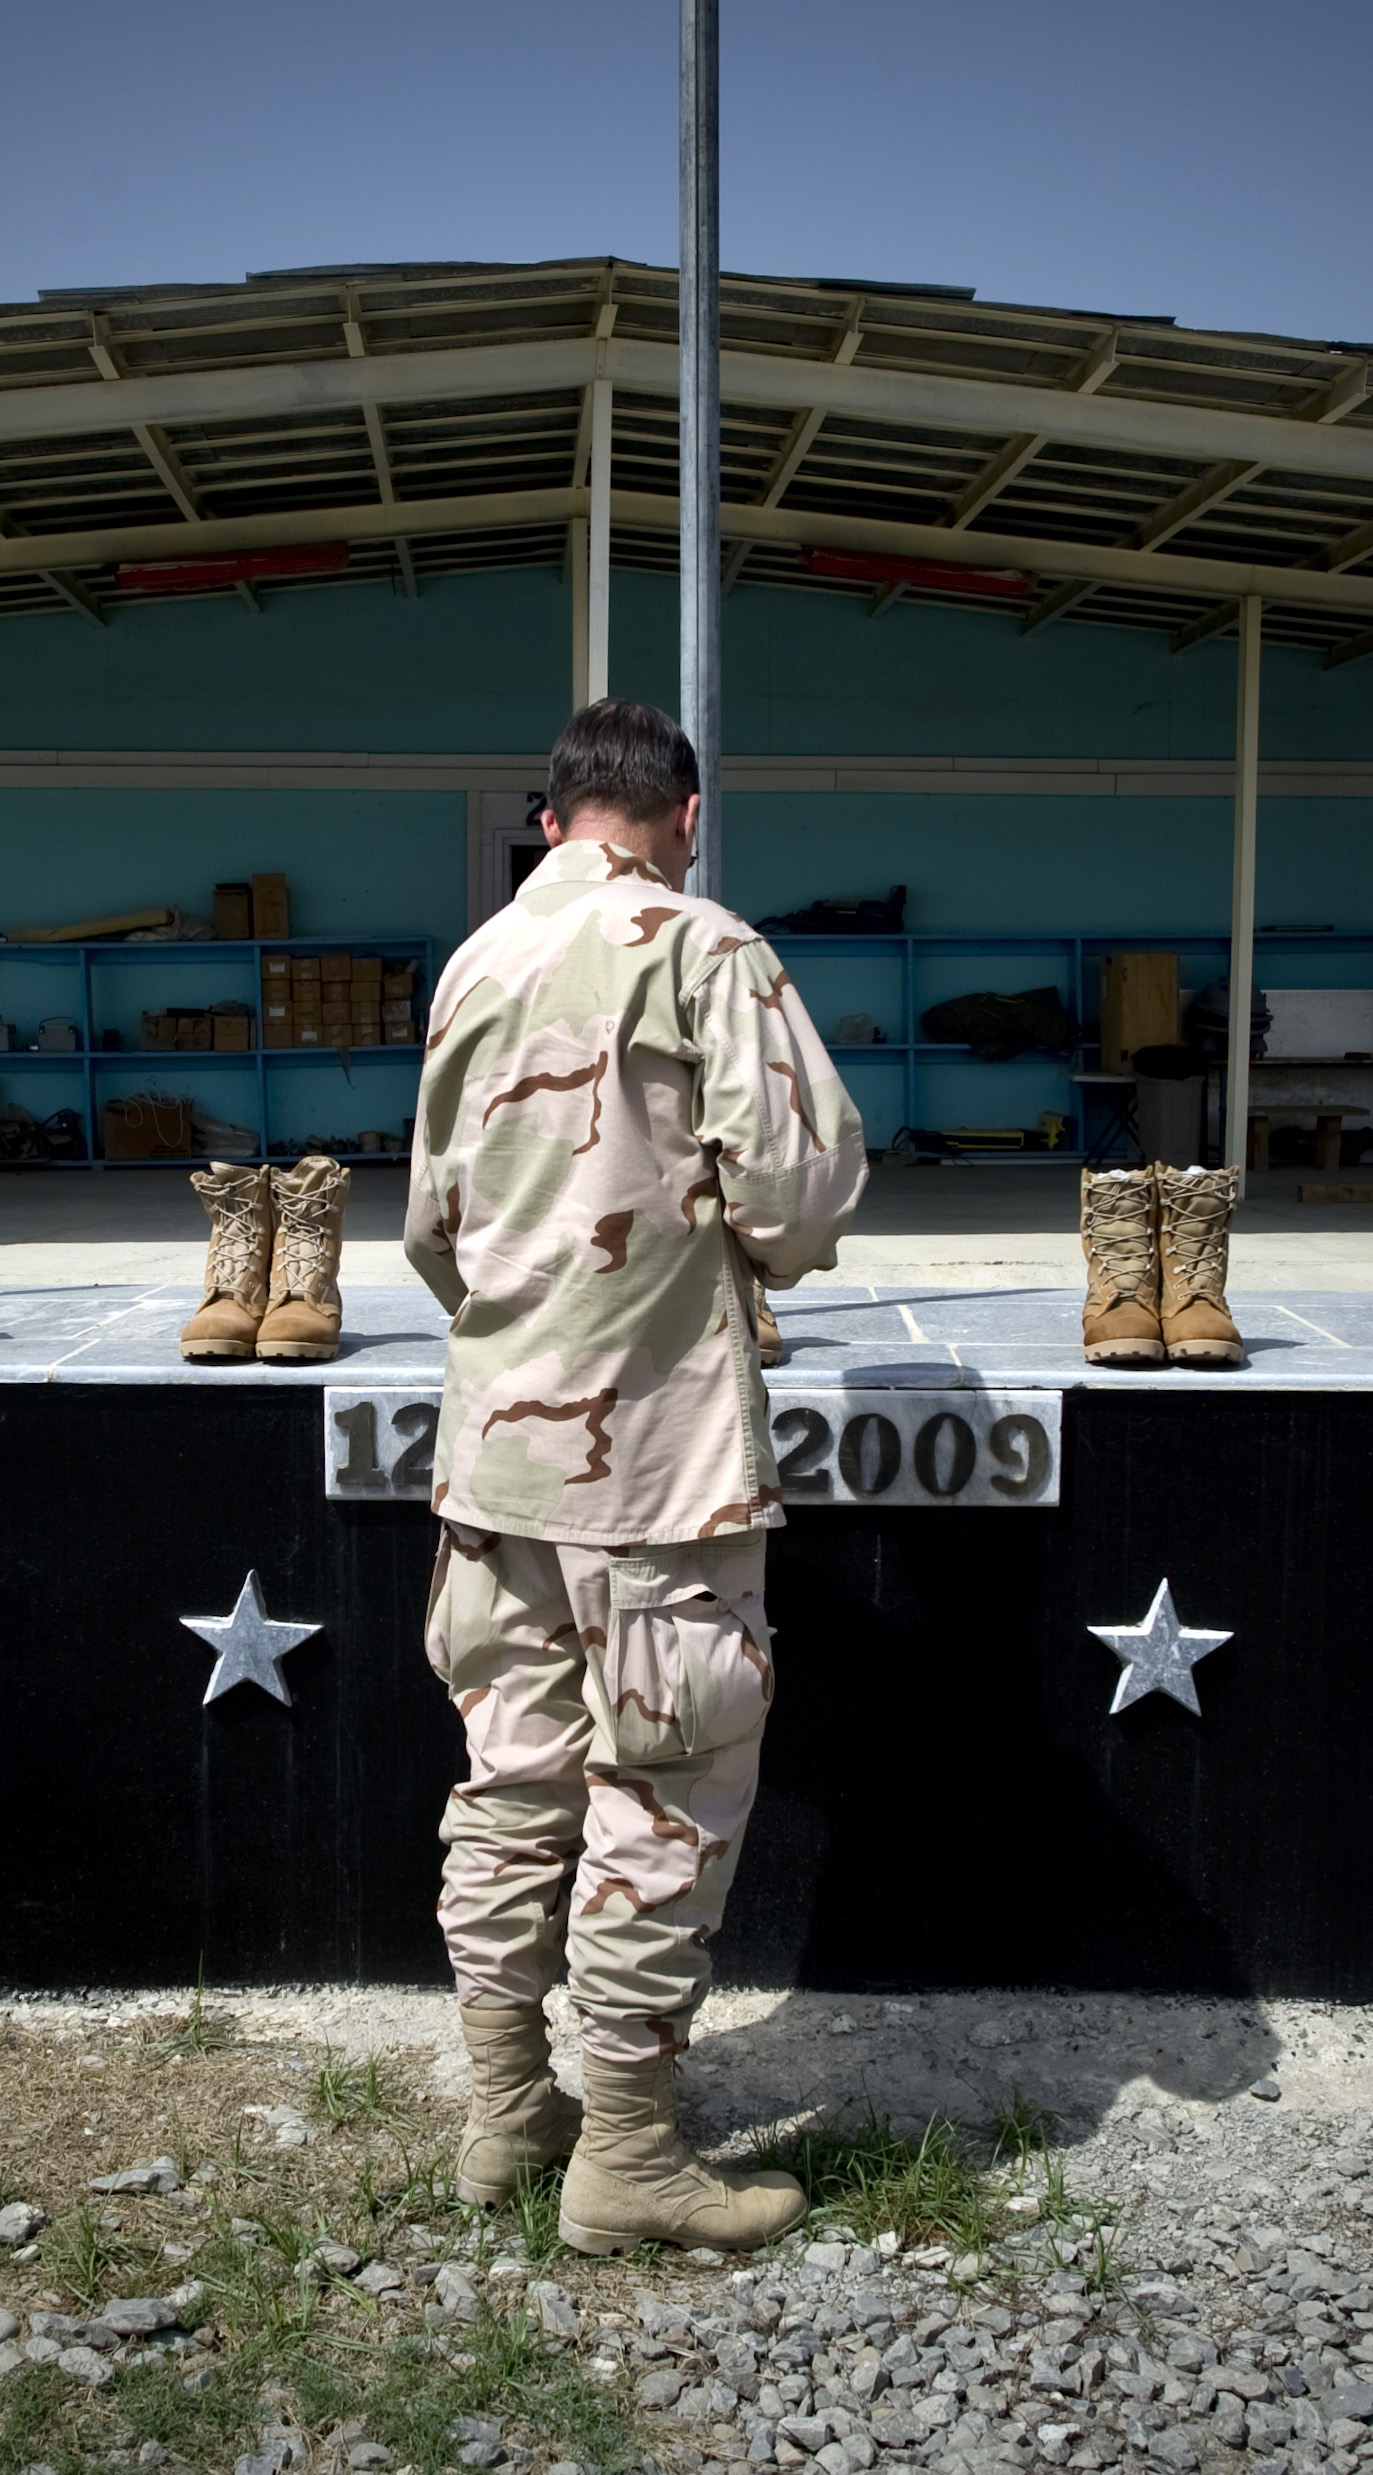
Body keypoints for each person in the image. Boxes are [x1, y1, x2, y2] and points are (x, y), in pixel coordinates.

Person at [403, 698, 867, 2255]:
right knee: (657, 1804)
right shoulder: (705, 947)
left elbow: (427, 1229)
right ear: (682, 818)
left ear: (550, 822)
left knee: (508, 1795)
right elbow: (800, 1196)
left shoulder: (473, 962)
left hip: (490, 1459)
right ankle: (627, 2160)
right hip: (654, 1467)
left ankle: (499, 2115)